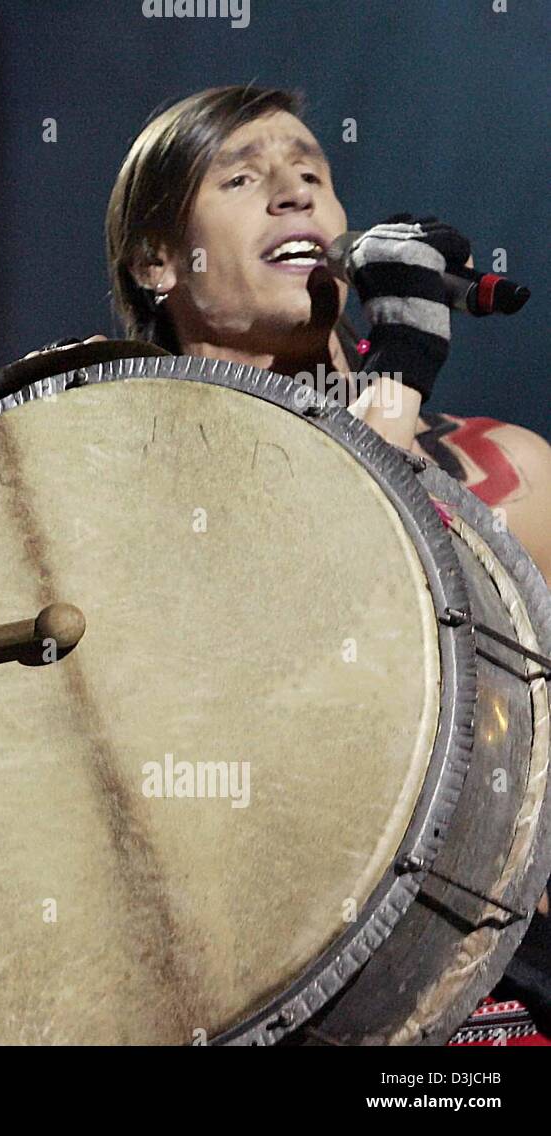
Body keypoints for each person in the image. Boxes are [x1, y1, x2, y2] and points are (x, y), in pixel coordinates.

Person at [103, 84, 551, 1045]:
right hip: (262, 992)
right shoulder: (119, 487)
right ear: (154, 260)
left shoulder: (516, 471)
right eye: (244, 178)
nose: (295, 195)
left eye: (313, 173)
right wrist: (390, 388)